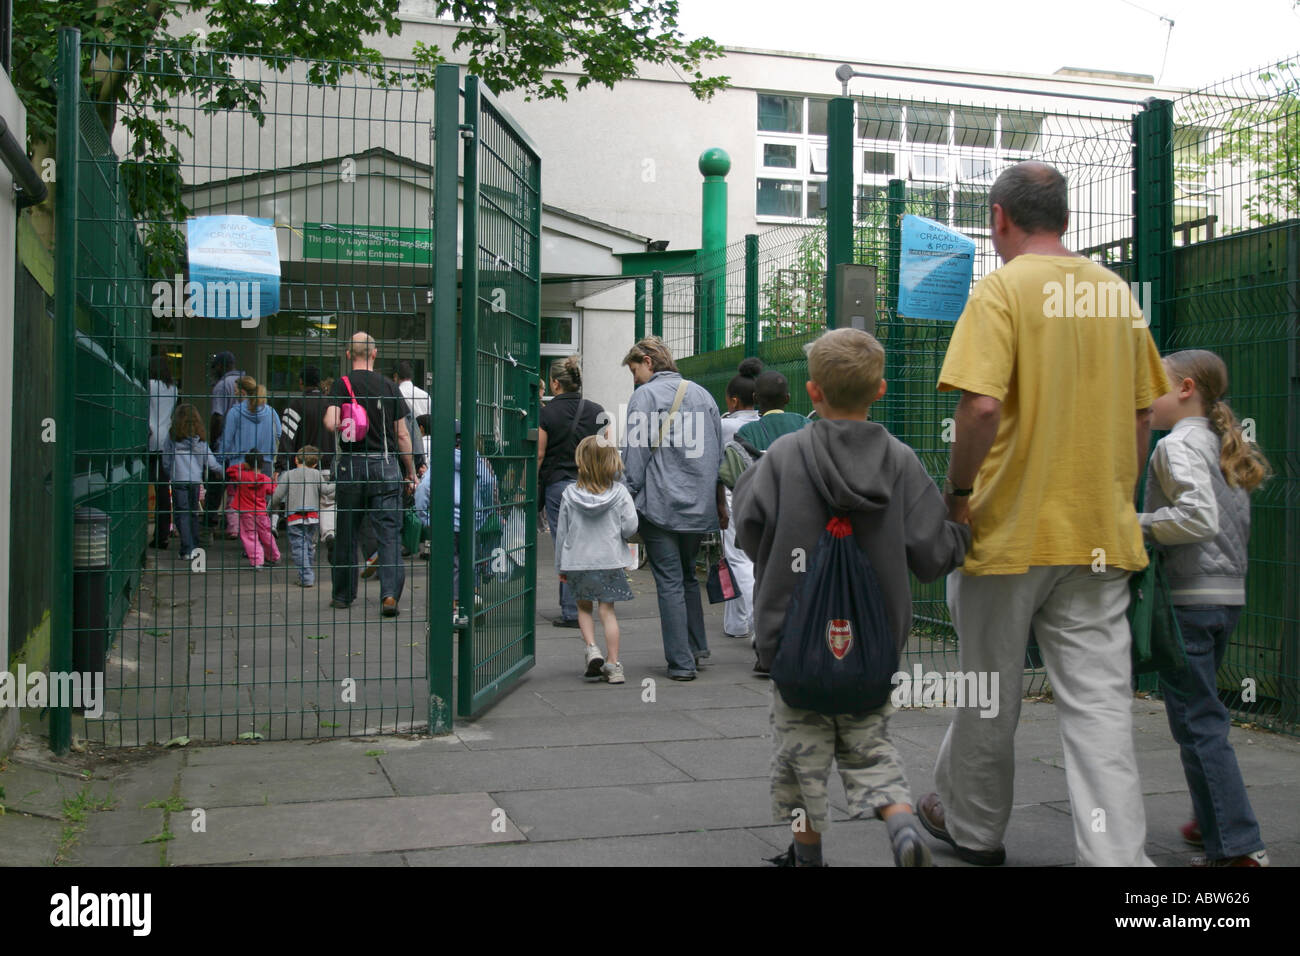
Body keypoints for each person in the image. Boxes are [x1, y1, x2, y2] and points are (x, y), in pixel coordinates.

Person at [916, 161, 1170, 868]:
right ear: (1063, 216)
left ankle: (972, 829)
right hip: (1098, 531)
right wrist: (1118, 494)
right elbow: (1143, 410)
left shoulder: (1001, 290)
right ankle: (1116, 857)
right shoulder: (1115, 293)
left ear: (1000, 216)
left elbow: (982, 405)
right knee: (1100, 706)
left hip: (1006, 529)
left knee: (988, 691)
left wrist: (960, 493)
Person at [733, 328, 971, 868]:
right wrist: (965, 534)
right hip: (873, 643)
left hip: (792, 642)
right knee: (870, 745)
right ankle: (902, 824)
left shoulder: (783, 455)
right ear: (881, 389)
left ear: (812, 391)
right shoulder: (901, 461)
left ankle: (807, 857)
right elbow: (932, 553)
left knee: (800, 760)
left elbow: (748, 527)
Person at [1139, 350, 1272, 867]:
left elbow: (1197, 521)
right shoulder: (1225, 445)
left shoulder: (1175, 447)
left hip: (1190, 601)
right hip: (1225, 599)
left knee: (1199, 723)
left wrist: (1135, 524)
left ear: (1186, 388)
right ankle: (1210, 820)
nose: (1146, 396)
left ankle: (1238, 848)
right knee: (1201, 718)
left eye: (1155, 385)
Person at [620, 336, 722, 681]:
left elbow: (635, 457)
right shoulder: (704, 395)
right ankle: (696, 648)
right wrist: (717, 502)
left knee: (669, 582)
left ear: (648, 361)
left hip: (661, 504)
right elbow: (718, 454)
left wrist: (624, 498)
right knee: (688, 576)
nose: (634, 378)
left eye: (635, 370)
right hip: (699, 505)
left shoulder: (644, 397)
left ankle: (681, 663)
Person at [324, 332, 417, 618]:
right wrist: (411, 472)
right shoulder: (390, 386)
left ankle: (343, 595)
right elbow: (402, 435)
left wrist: (346, 422)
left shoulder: (343, 383)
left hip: (351, 466)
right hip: (385, 467)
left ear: (349, 355)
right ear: (375, 354)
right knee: (388, 533)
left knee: (347, 532)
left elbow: (331, 422)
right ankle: (389, 595)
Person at [555, 436, 639, 684]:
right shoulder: (620, 493)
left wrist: (562, 564)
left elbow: (562, 532)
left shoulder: (569, 493)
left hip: (578, 560)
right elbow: (631, 526)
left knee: (583, 607)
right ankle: (613, 665)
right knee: (607, 610)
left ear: (580, 461)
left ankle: (592, 648)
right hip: (610, 559)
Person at [538, 355, 606, 628]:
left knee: (566, 546)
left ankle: (571, 609)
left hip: (559, 488)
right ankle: (591, 602)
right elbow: (605, 452)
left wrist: (528, 488)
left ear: (555, 384)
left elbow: (539, 455)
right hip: (590, 486)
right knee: (590, 545)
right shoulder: (597, 410)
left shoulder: (546, 414)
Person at [415, 420, 498, 613]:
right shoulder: (476, 460)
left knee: (451, 562)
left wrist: (427, 518)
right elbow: (488, 483)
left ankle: (453, 604)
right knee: (471, 559)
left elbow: (423, 491)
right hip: (471, 520)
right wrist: (483, 511)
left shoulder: (440, 460)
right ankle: (474, 596)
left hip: (445, 521)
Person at [715, 357, 763, 642]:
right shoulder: (762, 423)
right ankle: (736, 624)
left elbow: (717, 469)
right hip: (764, 493)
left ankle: (753, 622)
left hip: (733, 495)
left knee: (737, 560)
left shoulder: (724, 427)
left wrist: (719, 502)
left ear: (733, 400)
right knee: (756, 558)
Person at [279, 365, 336, 549]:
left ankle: (308, 546)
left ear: (301, 382)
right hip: (327, 464)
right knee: (327, 503)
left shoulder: (295, 404)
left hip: (302, 468)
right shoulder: (330, 404)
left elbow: (286, 438)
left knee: (306, 507)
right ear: (319, 382)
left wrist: (281, 466)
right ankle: (329, 534)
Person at [219, 377, 282, 538]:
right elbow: (279, 434)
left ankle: (248, 538)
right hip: (265, 463)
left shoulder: (235, 412)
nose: (234, 394)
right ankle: (262, 538)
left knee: (242, 504)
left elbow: (227, 439)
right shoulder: (271, 412)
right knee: (261, 504)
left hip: (240, 464)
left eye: (235, 391)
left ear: (243, 392)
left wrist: (220, 460)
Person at [161, 404, 222, 560]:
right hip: (195, 479)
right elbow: (211, 461)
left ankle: (186, 547)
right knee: (193, 513)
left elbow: (166, 459)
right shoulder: (200, 438)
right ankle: (194, 545)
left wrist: (170, 472)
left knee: (181, 514)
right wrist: (222, 471)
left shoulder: (172, 437)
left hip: (178, 478)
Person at [269, 445, 334, 588]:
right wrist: (339, 485)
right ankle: (307, 571)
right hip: (313, 516)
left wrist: (269, 508)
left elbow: (278, 496)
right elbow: (326, 491)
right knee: (309, 546)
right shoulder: (317, 474)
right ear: (315, 463)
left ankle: (306, 577)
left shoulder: (289, 475)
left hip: (294, 517)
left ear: (296, 459)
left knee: (299, 547)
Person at [205, 351, 244, 528]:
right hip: (245, 444)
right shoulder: (247, 382)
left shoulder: (222, 385)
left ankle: (210, 522)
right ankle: (240, 525)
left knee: (217, 483)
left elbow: (218, 416)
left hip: (226, 444)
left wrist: (213, 441)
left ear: (221, 366)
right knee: (242, 488)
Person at [226, 453, 279, 569]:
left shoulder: (242, 476)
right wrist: (274, 482)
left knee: (250, 536)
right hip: (261, 513)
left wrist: (243, 466)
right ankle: (273, 556)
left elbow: (230, 470)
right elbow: (273, 490)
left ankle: (257, 560)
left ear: (247, 463)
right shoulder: (265, 479)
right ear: (262, 464)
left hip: (246, 513)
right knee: (266, 535)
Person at [148, 355, 178, 550]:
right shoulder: (173, 389)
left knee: (149, 484)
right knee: (163, 490)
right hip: (166, 439)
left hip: (149, 437)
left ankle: (158, 535)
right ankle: (163, 532)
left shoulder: (148, 385)